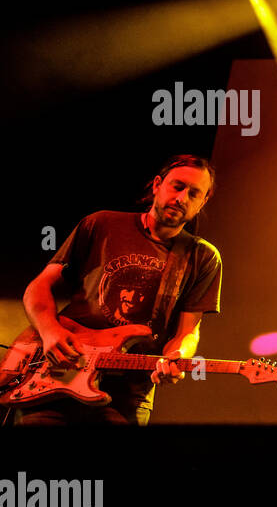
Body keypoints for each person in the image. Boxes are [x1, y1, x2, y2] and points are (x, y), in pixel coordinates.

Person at [16, 155, 223, 425]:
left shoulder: (203, 258)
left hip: (128, 394)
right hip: (60, 370)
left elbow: (188, 332)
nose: (182, 198)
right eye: (177, 186)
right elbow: (40, 285)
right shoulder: (100, 224)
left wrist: (177, 357)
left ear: (203, 201)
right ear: (157, 185)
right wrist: (49, 330)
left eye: (194, 193)